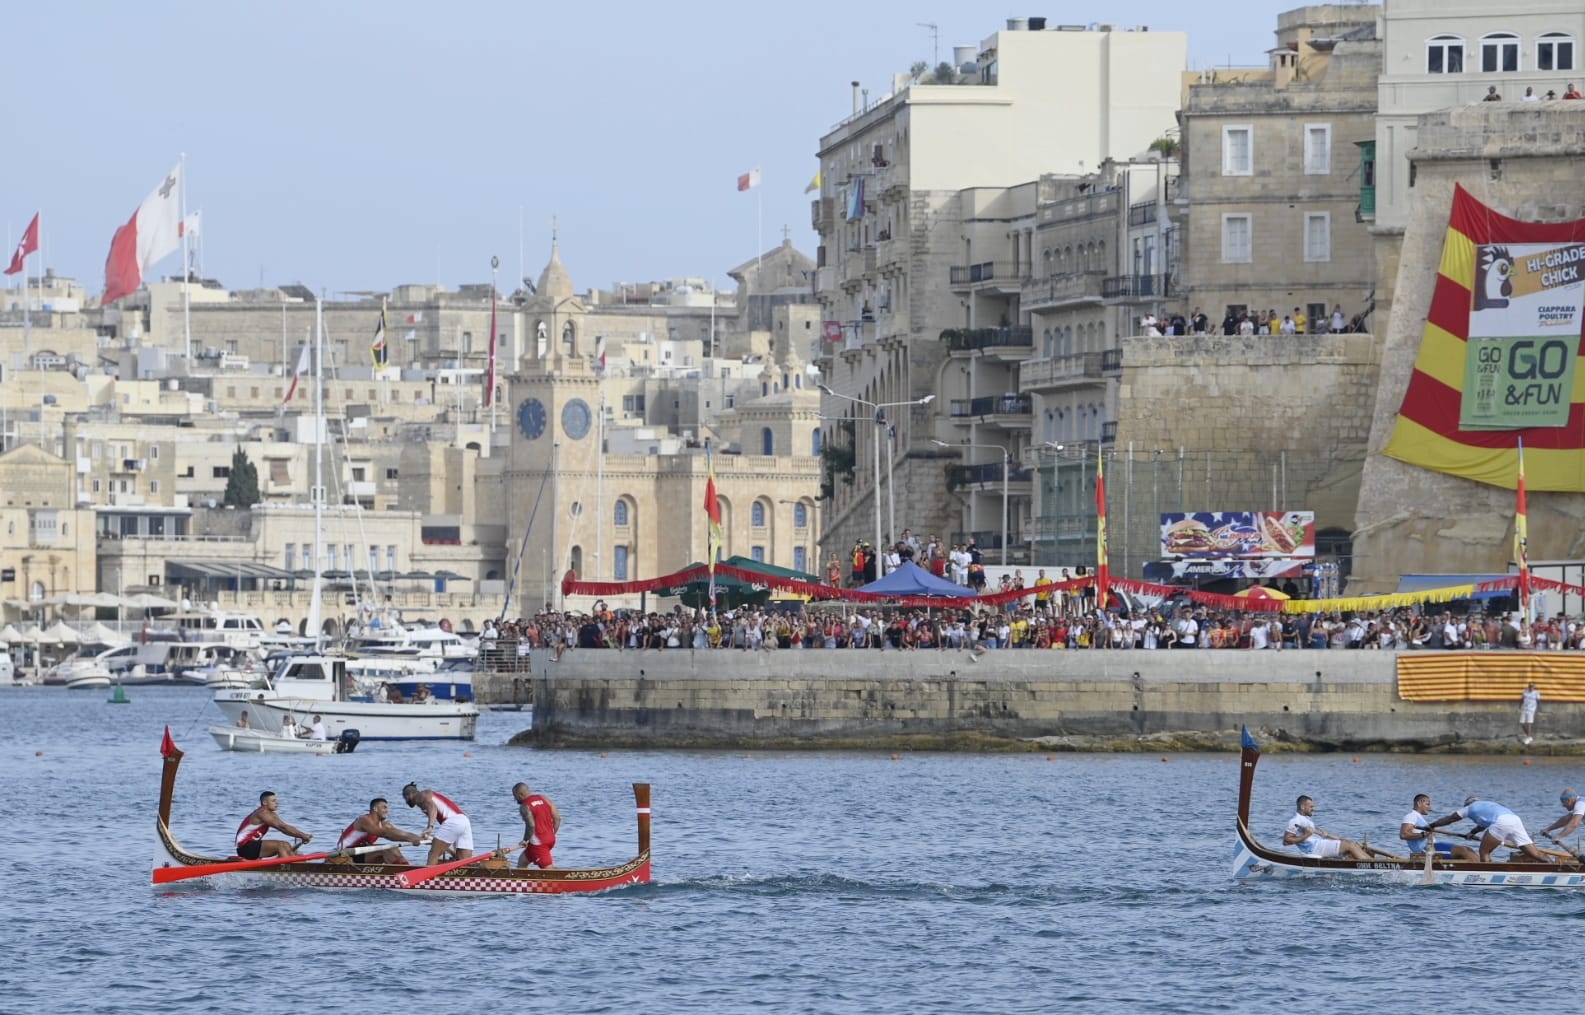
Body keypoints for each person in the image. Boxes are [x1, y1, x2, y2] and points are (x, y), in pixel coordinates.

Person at [1426, 796, 1554, 863]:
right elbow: (1483, 824)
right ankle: (1552, 866)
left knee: (1484, 851)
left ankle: (1487, 873)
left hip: (1502, 822)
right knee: (1533, 853)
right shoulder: (1488, 805)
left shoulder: (1469, 808)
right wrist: (1472, 833)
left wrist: (1432, 825)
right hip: (1515, 820)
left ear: (1467, 804)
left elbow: (1450, 819)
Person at [336, 797, 427, 865]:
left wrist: (420, 838)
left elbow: (400, 833)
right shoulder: (364, 820)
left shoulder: (384, 824)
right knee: (388, 849)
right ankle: (405, 874)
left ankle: (405, 870)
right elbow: (386, 834)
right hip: (345, 853)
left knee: (394, 850)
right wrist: (410, 839)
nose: (387, 811)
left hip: (361, 852)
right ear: (375, 809)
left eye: (387, 808)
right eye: (384, 807)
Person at [402, 782, 473, 864]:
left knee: (433, 854)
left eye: (405, 798)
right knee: (464, 861)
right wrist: (429, 836)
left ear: (409, 795)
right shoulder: (425, 799)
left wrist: (430, 827)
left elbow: (433, 808)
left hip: (453, 822)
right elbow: (433, 813)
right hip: (464, 821)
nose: (406, 802)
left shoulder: (421, 796)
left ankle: (428, 872)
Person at [1283, 795, 1371, 860]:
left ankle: (1370, 862)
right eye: (1311, 806)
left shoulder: (1307, 819)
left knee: (1352, 844)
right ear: (1302, 807)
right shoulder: (1295, 820)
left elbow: (1323, 834)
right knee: (1349, 845)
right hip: (1313, 849)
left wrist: (1329, 835)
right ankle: (1372, 865)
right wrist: (1306, 835)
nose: (1313, 809)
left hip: (1320, 844)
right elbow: (1286, 842)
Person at [235, 790, 313, 860]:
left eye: (276, 800)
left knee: (288, 847)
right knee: (282, 845)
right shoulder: (262, 813)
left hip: (253, 846)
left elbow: (284, 827)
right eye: (273, 801)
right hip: (245, 847)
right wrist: (303, 835)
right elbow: (282, 827)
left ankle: (294, 865)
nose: (277, 803)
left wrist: (300, 835)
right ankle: (289, 868)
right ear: (265, 802)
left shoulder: (272, 814)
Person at [1399, 794, 1478, 860]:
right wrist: (1425, 834)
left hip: (1433, 846)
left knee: (1468, 849)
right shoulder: (1411, 816)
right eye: (1427, 804)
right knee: (1462, 851)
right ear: (1419, 803)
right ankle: (1481, 868)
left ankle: (1481, 868)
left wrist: (1429, 833)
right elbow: (1404, 835)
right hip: (1426, 850)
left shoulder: (1420, 818)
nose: (1430, 808)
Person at [512, 782, 562, 869]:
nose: (514, 799)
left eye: (514, 796)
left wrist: (525, 840)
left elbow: (531, 825)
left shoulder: (525, 806)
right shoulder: (543, 798)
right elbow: (557, 818)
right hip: (551, 839)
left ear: (520, 795)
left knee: (549, 872)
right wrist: (552, 834)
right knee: (522, 862)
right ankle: (522, 878)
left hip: (538, 844)